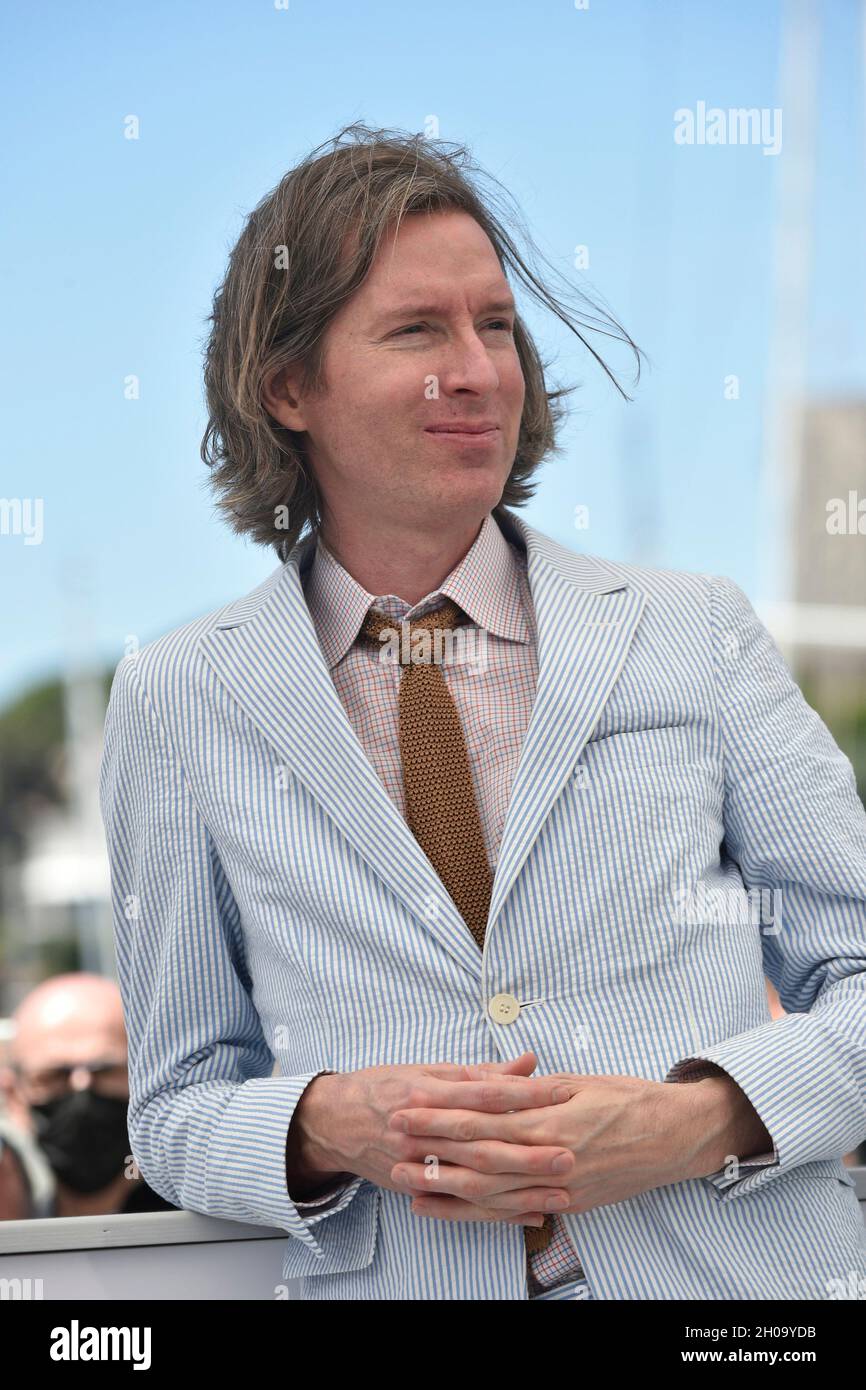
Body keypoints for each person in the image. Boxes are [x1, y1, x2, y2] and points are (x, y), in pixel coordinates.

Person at [99, 124, 866, 1300]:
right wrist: (326, 1120)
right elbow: (174, 1108)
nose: (477, 371)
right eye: (416, 329)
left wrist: (696, 1119)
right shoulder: (177, 698)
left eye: (495, 325)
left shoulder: (693, 629)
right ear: (287, 386)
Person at [1, 974, 176, 1218]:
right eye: (54, 1075)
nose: (81, 1088)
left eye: (104, 1070)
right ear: (13, 1094)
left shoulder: (200, 1199)